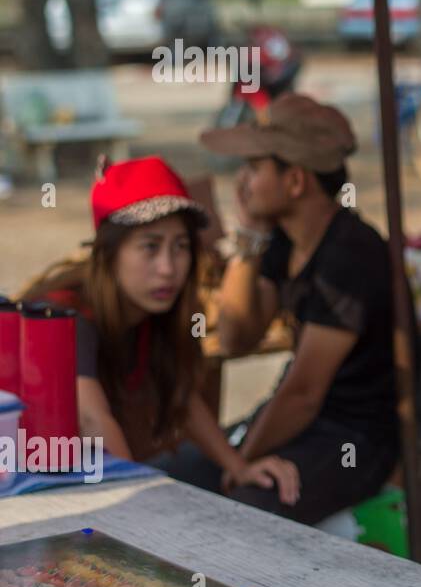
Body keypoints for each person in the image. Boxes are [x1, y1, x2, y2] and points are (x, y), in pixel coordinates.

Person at [173, 93, 401, 524]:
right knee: (172, 477)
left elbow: (303, 394)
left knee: (242, 510)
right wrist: (250, 236)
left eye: (255, 168)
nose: (243, 181)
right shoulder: (286, 242)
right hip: (302, 425)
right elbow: (238, 337)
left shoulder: (350, 254)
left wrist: (242, 462)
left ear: (295, 181)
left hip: (353, 440)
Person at [21, 156, 300, 504]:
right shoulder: (67, 314)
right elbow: (92, 421)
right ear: (109, 253)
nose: (168, 268)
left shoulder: (154, 311)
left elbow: (182, 395)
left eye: (180, 247)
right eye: (150, 247)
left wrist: (238, 467)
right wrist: (135, 508)